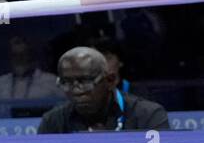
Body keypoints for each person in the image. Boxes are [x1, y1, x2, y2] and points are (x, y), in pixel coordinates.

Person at [38, 46, 168, 133]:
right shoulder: (53, 121)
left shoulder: (148, 115)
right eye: (66, 83)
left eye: (85, 81)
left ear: (110, 81)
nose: (76, 91)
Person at [0, 36, 59, 100]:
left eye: (22, 55)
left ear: (31, 56)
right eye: (15, 55)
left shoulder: (51, 80)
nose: (19, 59)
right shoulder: (0, 83)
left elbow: (65, 108)